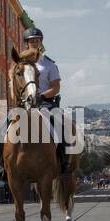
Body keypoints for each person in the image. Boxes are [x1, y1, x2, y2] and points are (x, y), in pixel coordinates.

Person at [20, 27, 71, 175]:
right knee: (1, 128)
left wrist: (41, 96)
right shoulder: (21, 64)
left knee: (60, 124)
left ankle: (63, 160)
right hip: (24, 105)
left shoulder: (49, 64)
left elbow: (56, 87)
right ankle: (2, 164)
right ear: (27, 43)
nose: (35, 43)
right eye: (32, 41)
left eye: (37, 40)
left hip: (45, 103)